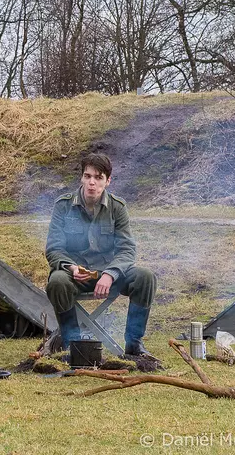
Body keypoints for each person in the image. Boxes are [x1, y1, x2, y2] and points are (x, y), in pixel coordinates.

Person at [45, 153, 158, 357]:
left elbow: (127, 249)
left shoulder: (117, 207)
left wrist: (110, 273)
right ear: (81, 178)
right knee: (57, 281)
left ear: (108, 181)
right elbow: (54, 249)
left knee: (145, 277)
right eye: (87, 176)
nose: (91, 183)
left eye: (98, 178)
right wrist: (71, 267)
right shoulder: (63, 206)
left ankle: (134, 344)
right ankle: (73, 344)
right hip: (75, 276)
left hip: (109, 275)